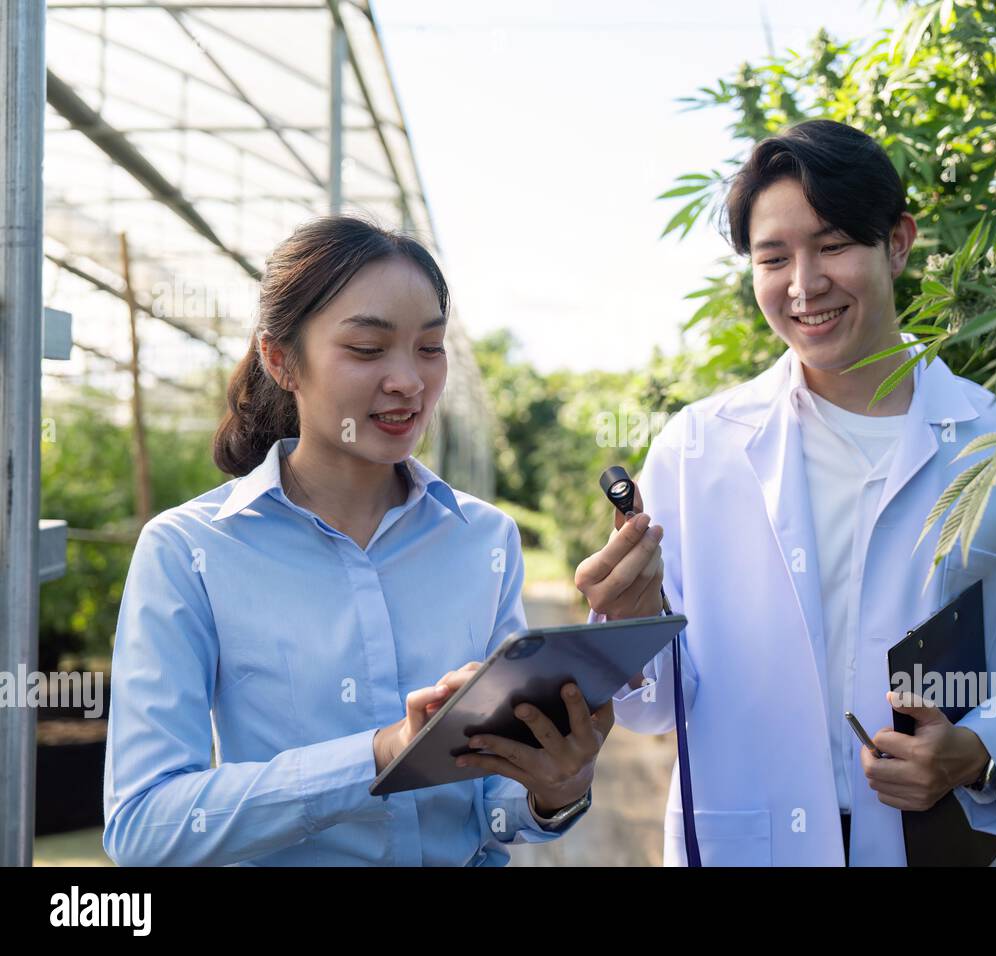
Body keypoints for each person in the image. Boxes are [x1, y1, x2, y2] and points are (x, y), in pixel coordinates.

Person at [575, 120, 996, 866]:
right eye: (774, 258)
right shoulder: (697, 451)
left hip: (930, 841)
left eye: (832, 246)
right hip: (750, 839)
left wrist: (977, 748)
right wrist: (631, 625)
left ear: (897, 242)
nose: (804, 285)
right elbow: (657, 703)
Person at [102, 215, 614, 866]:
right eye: (368, 350)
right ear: (281, 360)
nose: (408, 380)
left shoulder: (482, 539)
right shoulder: (188, 551)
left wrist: (553, 790)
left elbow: (491, 804)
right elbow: (145, 828)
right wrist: (381, 753)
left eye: (430, 347)